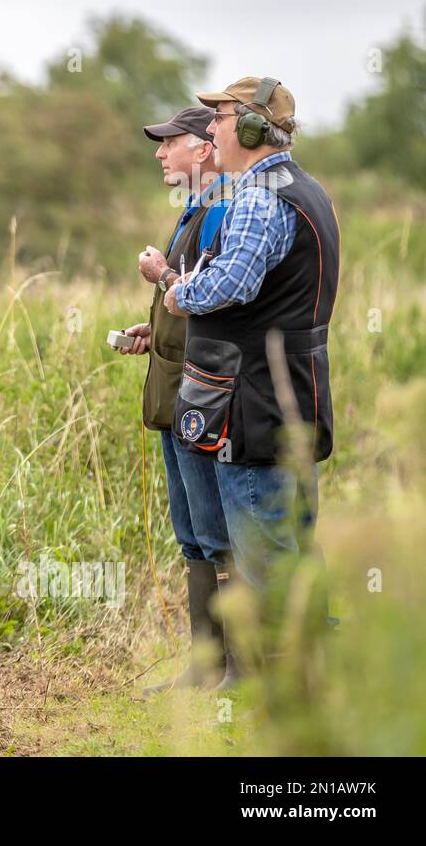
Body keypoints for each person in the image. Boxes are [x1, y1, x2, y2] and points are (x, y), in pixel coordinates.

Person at [164, 77, 340, 683]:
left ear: (250, 127)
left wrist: (177, 289)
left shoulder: (262, 195)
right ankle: (317, 679)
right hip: (293, 389)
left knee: (262, 550)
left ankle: (279, 694)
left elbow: (231, 285)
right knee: (292, 542)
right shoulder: (304, 188)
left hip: (256, 398)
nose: (209, 129)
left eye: (219, 118)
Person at [118, 106, 233, 691]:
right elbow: (187, 310)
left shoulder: (221, 213)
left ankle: (232, 671)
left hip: (203, 398)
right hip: (174, 391)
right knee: (191, 532)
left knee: (215, 534)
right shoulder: (194, 210)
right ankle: (206, 666)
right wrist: (152, 331)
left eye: (172, 143)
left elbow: (210, 298)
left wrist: (162, 275)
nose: (161, 153)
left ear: (204, 150)